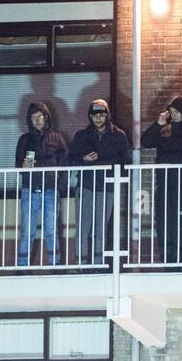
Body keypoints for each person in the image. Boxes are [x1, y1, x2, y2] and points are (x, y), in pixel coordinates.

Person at [67, 98, 131, 268]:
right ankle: (81, 265)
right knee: (83, 228)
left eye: (102, 115)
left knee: (101, 229)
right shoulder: (81, 135)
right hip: (86, 186)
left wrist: (107, 168)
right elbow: (69, 160)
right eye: (95, 115)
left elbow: (125, 162)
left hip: (107, 188)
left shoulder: (119, 135)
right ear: (90, 116)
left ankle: (98, 265)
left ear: (107, 115)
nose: (98, 118)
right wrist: (83, 159)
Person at [140, 95, 182, 265]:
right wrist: (158, 124)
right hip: (164, 182)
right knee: (164, 220)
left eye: (177, 112)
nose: (174, 115)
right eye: (171, 112)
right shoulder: (164, 129)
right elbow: (146, 141)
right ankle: (167, 257)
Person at [13, 101, 68, 267]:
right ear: (29, 120)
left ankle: (55, 265)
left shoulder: (57, 139)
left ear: (46, 118)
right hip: (29, 189)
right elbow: (18, 165)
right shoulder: (24, 139)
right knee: (27, 232)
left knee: (51, 230)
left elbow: (65, 165)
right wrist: (23, 166)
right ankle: (22, 267)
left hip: (51, 190)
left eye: (39, 117)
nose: (36, 120)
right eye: (33, 117)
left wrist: (61, 187)